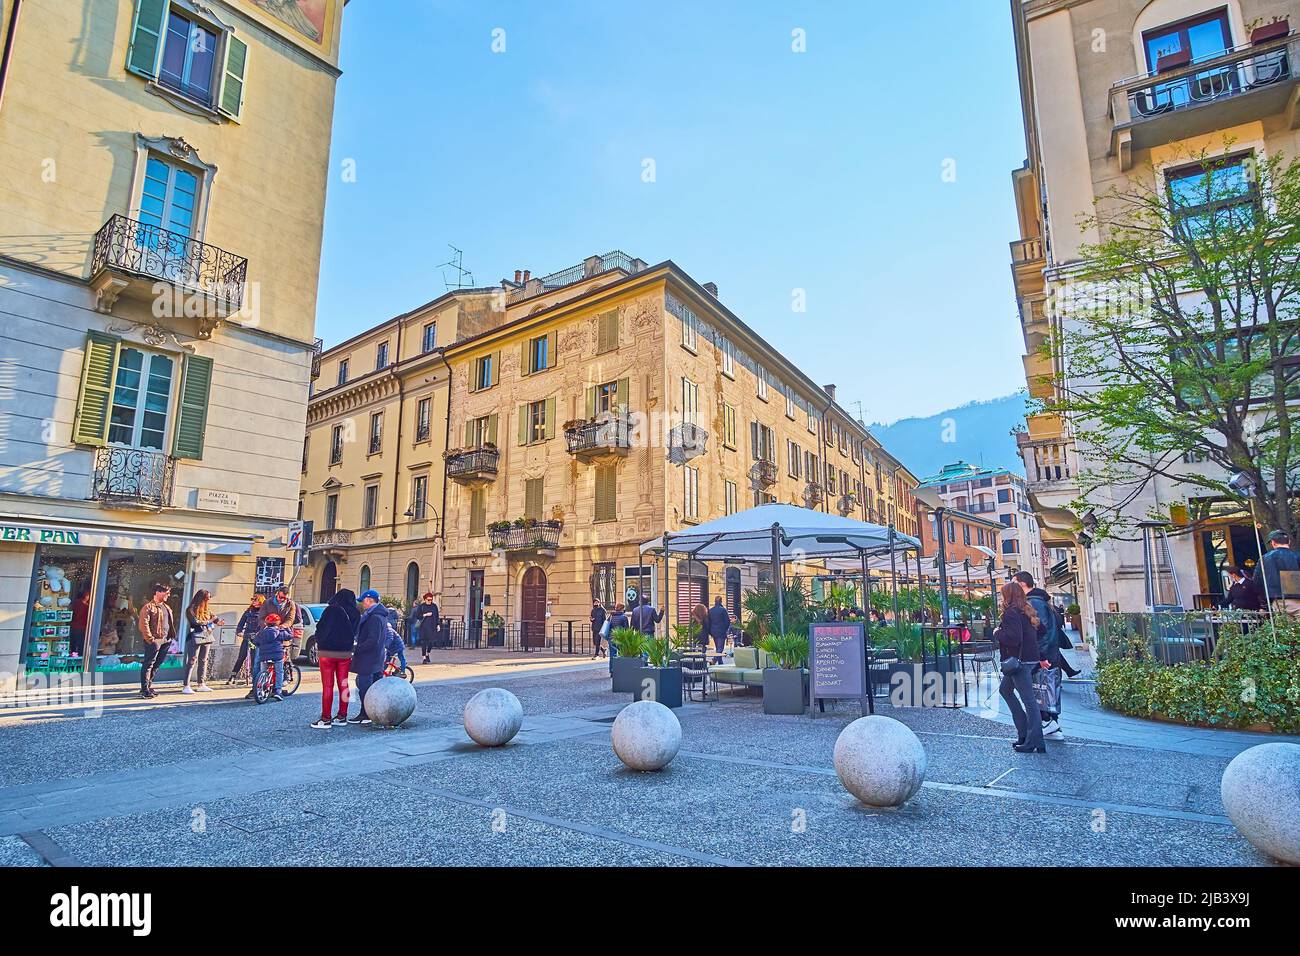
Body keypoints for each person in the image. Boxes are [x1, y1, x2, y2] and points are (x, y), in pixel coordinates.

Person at [994, 582, 1047, 754]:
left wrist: (996, 633)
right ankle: (1024, 734)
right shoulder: (1027, 610)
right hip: (1029, 659)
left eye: (1003, 594)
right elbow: (1042, 630)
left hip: (1019, 662)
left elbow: (1013, 638)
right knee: (1006, 691)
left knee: (1029, 702)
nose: (1001, 598)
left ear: (1008, 596)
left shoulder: (1011, 613)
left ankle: (1034, 741)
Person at [1014, 571, 1064, 740]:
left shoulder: (1034, 602)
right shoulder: (1041, 600)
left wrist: (1040, 656)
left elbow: (1042, 631)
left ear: (1022, 584)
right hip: (1048, 653)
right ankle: (1051, 726)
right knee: (1045, 689)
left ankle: (1049, 723)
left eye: (1015, 584)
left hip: (1044, 655)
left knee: (1041, 689)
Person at [311, 588, 358, 729]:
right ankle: (342, 716)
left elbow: (321, 628)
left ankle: (326, 718)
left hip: (327, 652)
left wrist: (320, 641)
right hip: (345, 653)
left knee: (328, 686)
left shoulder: (331, 610)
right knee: (344, 684)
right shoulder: (355, 612)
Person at [349, 590, 388, 725]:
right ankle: (371, 713)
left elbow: (372, 640)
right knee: (373, 687)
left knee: (365, 687)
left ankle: (365, 713)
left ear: (369, 600)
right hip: (376, 657)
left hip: (369, 659)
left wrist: (356, 648)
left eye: (363, 601)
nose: (362, 604)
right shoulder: (379, 615)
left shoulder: (374, 617)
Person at [137, 582, 175, 699]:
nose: (168, 595)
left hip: (165, 640)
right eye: (166, 593)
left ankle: (148, 686)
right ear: (158, 592)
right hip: (155, 640)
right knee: (149, 664)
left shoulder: (166, 607)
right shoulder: (148, 607)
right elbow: (143, 624)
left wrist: (170, 637)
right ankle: (144, 689)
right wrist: (150, 639)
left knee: (157, 664)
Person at [181, 589, 222, 694]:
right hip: (195, 636)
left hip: (206, 636)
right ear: (202, 598)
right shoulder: (191, 609)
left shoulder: (207, 610)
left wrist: (219, 622)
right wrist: (209, 621)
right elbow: (195, 622)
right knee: (192, 660)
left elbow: (215, 619)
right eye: (207, 598)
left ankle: (201, 684)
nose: (209, 600)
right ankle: (186, 685)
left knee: (204, 660)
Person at [1260, 530, 1300, 619]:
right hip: (1298, 599)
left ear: (1273, 543)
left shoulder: (1264, 559)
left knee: (1285, 630)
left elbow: (1257, 581)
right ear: (1289, 541)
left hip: (1278, 601)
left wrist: (1264, 602)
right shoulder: (1297, 556)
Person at [251, 612, 290, 701]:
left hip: (264, 655)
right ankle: (278, 691)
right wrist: (286, 628)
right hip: (277, 655)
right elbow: (289, 636)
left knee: (263, 670)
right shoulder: (280, 631)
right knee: (279, 671)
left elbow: (256, 642)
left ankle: (260, 687)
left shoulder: (262, 632)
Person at [230, 594, 266, 685]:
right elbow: (241, 623)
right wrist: (239, 632)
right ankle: (232, 676)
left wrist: (259, 634)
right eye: (252, 599)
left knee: (255, 659)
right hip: (247, 636)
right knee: (241, 657)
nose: (253, 601)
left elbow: (265, 626)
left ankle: (255, 678)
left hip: (256, 639)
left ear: (261, 601)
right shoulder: (248, 611)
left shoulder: (264, 612)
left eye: (255, 600)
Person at [411, 592, 441, 664]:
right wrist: (425, 614)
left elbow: (437, 616)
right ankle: (424, 657)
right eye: (428, 600)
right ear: (425, 599)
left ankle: (428, 653)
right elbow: (418, 616)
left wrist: (438, 624)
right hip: (423, 627)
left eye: (431, 600)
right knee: (424, 642)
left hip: (432, 626)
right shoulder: (421, 606)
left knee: (431, 642)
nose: (430, 601)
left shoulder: (434, 606)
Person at [706, 596, 731, 662]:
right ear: (721, 601)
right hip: (721, 631)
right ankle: (714, 660)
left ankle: (720, 663)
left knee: (717, 647)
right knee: (720, 648)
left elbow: (708, 622)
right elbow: (727, 621)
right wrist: (725, 629)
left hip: (713, 631)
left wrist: (710, 631)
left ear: (715, 601)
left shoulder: (710, 610)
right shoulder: (723, 610)